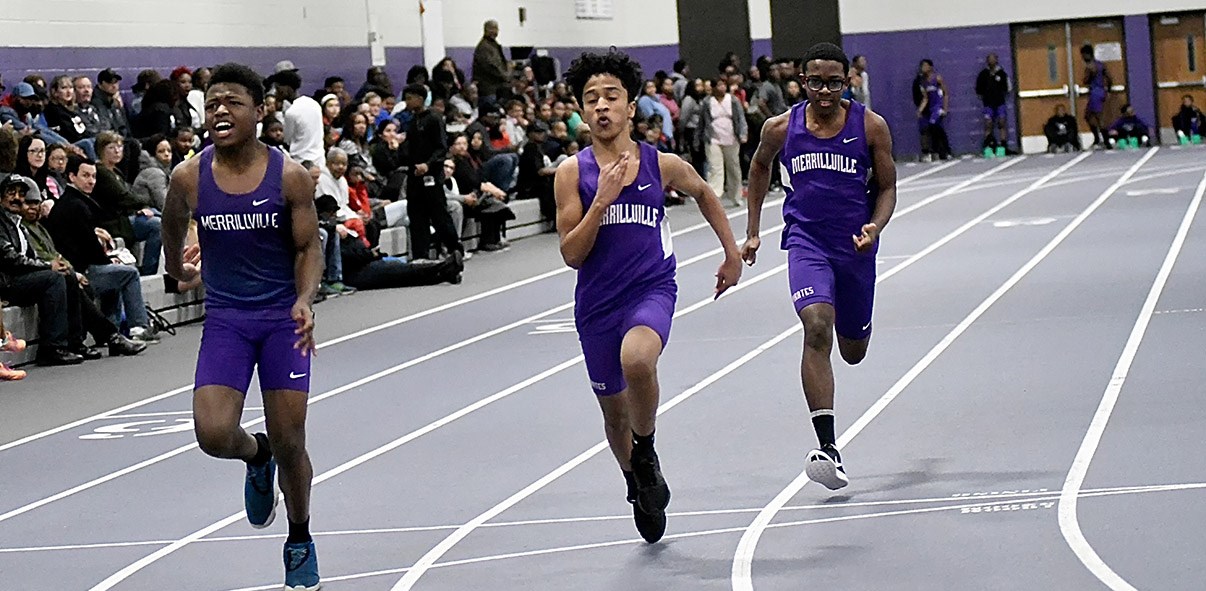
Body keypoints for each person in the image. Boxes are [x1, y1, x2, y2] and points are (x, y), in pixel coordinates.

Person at [555, 49, 743, 543]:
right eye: (590, 99)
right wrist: (601, 202)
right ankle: (635, 481)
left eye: (611, 97)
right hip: (596, 304)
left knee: (639, 360)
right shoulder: (572, 175)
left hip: (651, 288)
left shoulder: (661, 164)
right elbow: (572, 254)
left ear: (631, 107)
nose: (601, 107)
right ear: (581, 110)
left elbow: (705, 193)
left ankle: (647, 450)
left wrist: (731, 253)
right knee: (613, 413)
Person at [160, 63, 323, 591]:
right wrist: (177, 267)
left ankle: (299, 538)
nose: (220, 112)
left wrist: (303, 299)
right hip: (227, 320)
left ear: (259, 110)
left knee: (292, 439)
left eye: (231, 102)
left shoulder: (289, 175)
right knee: (212, 434)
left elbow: (308, 248)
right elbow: (170, 219)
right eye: (211, 105)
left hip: (281, 320)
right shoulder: (189, 177)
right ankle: (257, 457)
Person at [741, 42, 898, 491]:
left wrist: (875, 226)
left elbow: (887, 187)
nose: (824, 91)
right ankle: (828, 447)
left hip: (854, 249)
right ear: (802, 82)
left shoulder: (870, 126)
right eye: (815, 82)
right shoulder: (780, 127)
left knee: (853, 350)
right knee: (815, 325)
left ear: (846, 82)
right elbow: (758, 169)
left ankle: (857, 328)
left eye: (833, 82)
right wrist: (753, 230)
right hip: (806, 243)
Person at [402, 83, 463, 262]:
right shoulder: (411, 122)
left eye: (409, 98)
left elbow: (441, 148)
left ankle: (454, 249)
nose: (407, 102)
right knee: (416, 215)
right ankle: (421, 256)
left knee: (439, 215)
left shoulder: (434, 119)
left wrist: (428, 165)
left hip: (432, 176)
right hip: (414, 176)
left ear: (420, 99)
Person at [975, 53, 1011, 153]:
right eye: (989, 59)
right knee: (988, 124)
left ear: (996, 60)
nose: (991, 61)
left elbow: (1008, 88)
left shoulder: (1002, 73)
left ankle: (1003, 144)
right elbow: (979, 90)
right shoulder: (983, 74)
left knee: (1002, 122)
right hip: (988, 104)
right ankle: (988, 145)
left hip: (1000, 103)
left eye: (993, 59)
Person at [1081, 44, 1112, 149]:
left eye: (1083, 55)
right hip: (1100, 91)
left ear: (1087, 54)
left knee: (1098, 117)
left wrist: (1088, 76)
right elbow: (1109, 77)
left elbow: (1086, 80)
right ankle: (1099, 139)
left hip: (1095, 92)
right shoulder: (1100, 65)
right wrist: (1108, 90)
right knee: (1088, 116)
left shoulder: (1090, 66)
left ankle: (1104, 141)